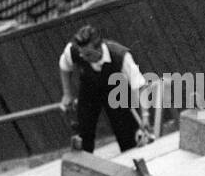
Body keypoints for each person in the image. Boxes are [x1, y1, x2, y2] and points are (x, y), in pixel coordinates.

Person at [57, 24, 145, 152]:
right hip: (90, 88)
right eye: (82, 54)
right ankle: (83, 164)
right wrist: (66, 93)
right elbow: (64, 67)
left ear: (99, 48)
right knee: (84, 129)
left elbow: (139, 86)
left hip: (116, 91)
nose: (83, 58)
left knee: (126, 133)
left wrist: (145, 118)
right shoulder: (73, 50)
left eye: (87, 54)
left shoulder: (120, 55)